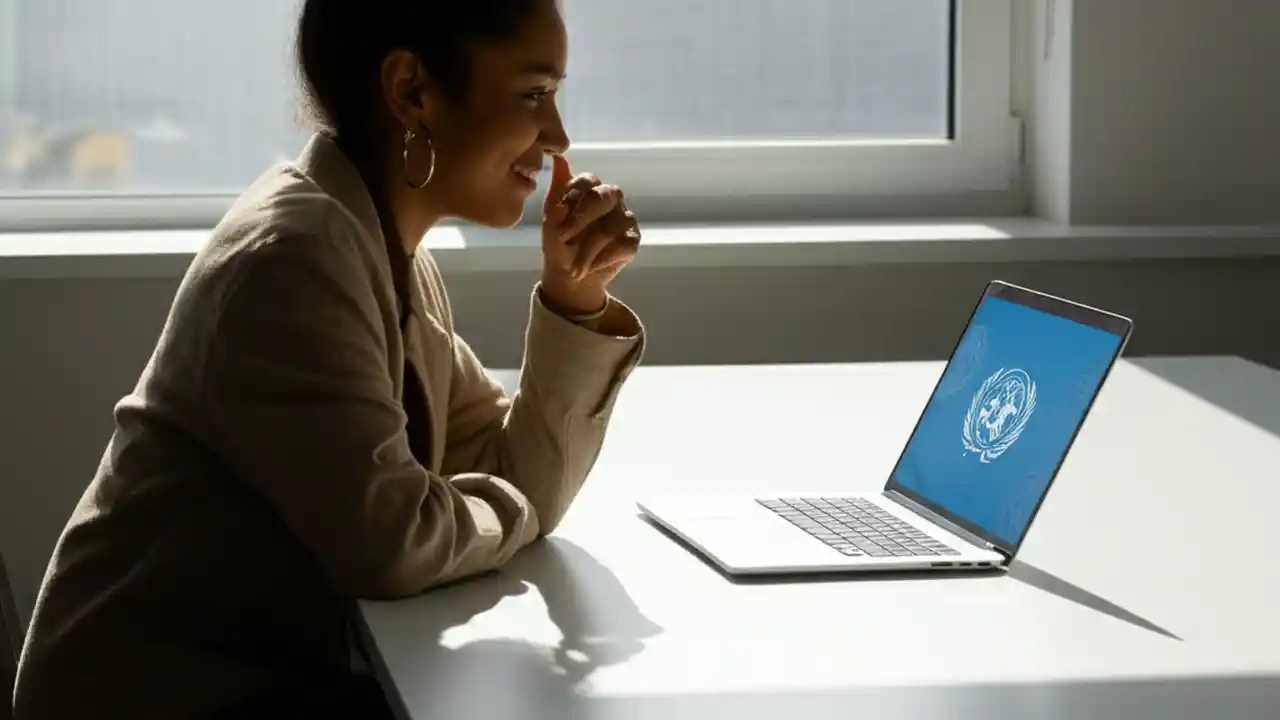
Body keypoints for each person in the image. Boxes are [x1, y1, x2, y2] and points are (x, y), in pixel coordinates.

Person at [13, 0, 644, 716]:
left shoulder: (375, 243)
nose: (558, 137)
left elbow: (508, 466)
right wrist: (514, 511)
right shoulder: (295, 258)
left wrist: (575, 298)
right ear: (411, 89)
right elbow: (394, 542)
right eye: (534, 94)